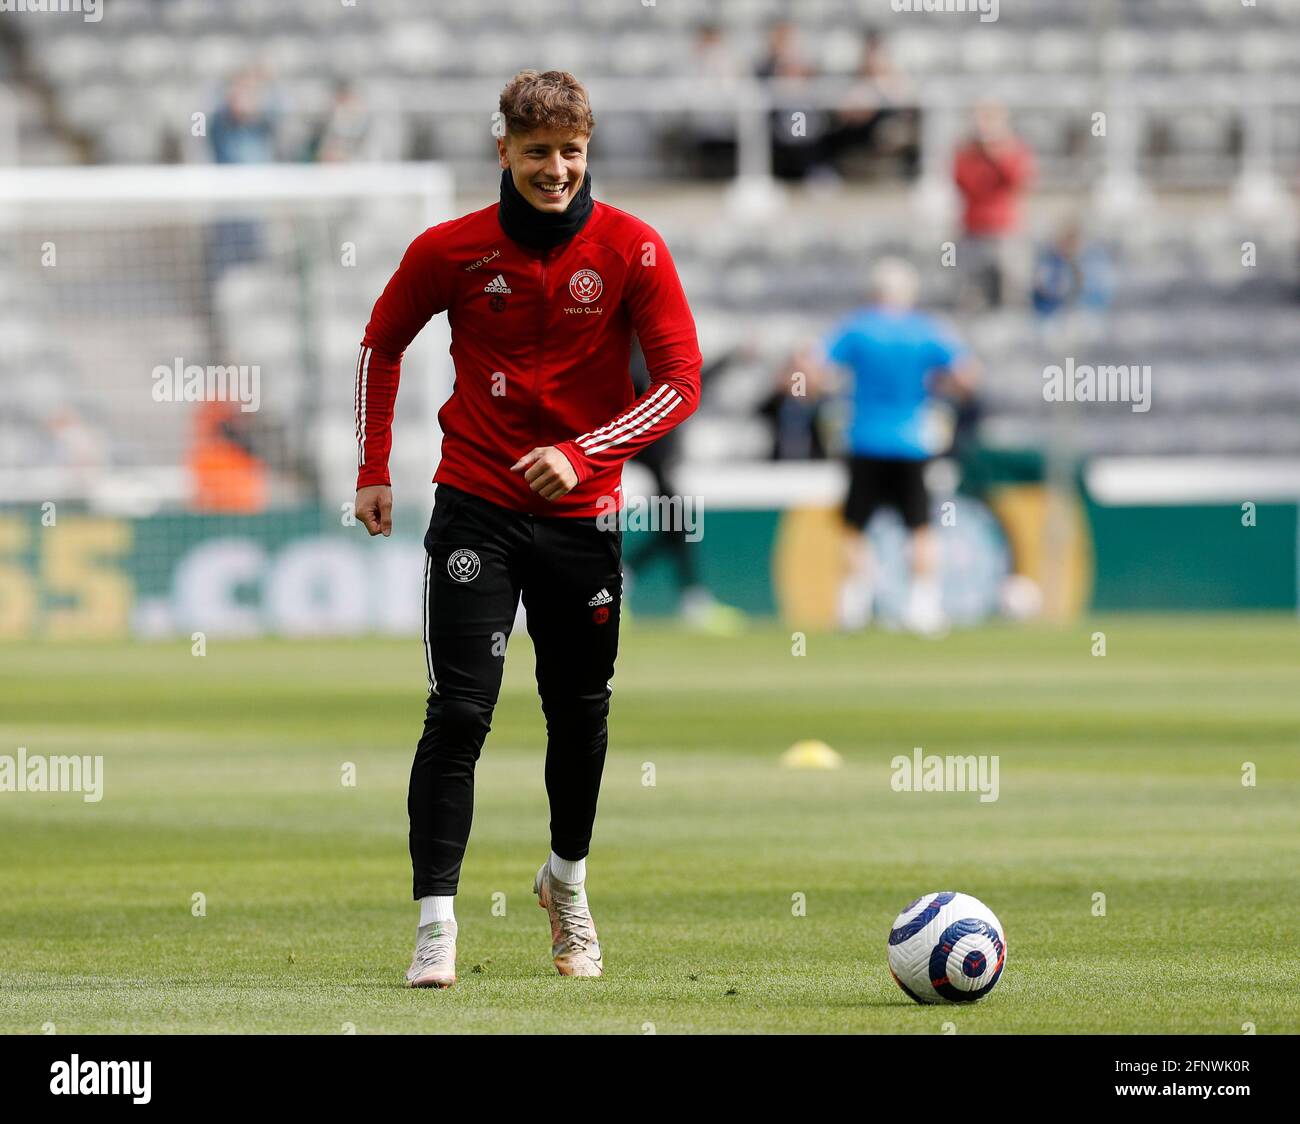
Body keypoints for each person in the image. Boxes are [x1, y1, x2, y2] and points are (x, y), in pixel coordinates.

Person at [352, 71, 702, 987]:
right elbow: (380, 344)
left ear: (589, 151)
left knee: (579, 713)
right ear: (502, 149)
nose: (556, 170)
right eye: (538, 152)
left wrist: (585, 453)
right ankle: (437, 923)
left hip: (582, 517)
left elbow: (679, 383)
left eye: (571, 152)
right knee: (460, 709)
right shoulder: (450, 249)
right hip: (476, 504)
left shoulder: (634, 249)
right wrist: (372, 470)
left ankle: (567, 885)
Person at [806, 258, 978, 635]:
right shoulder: (926, 330)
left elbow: (813, 369)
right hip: (913, 441)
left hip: (864, 439)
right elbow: (967, 376)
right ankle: (922, 607)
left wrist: (824, 391)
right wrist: (938, 389)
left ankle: (853, 605)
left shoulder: (857, 329)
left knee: (855, 526)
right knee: (920, 527)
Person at [952, 102, 1036, 309]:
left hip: (1006, 231)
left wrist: (997, 153)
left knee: (1012, 289)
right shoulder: (965, 152)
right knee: (971, 290)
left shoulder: (1015, 149)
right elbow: (963, 183)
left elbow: (1019, 181)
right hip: (973, 230)